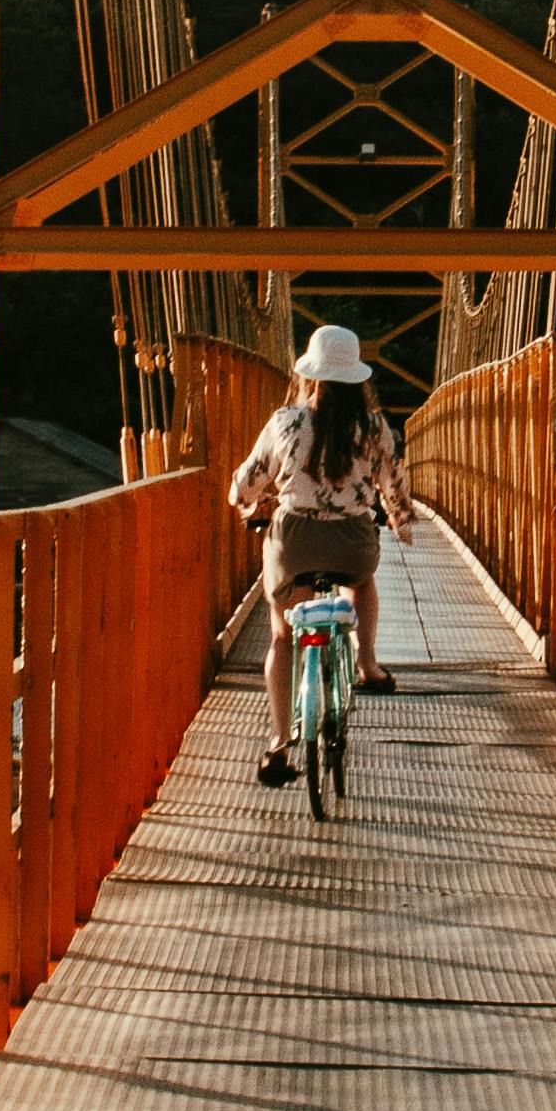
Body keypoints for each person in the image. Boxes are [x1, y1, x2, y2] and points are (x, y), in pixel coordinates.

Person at [228, 321, 416, 786]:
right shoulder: (374, 427)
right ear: (357, 378)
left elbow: (247, 482)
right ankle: (367, 664)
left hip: (294, 543)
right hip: (352, 541)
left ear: (311, 375)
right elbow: (392, 484)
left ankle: (277, 741)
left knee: (280, 637)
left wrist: (247, 503)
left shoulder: (286, 421)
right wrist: (400, 522)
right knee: (362, 582)